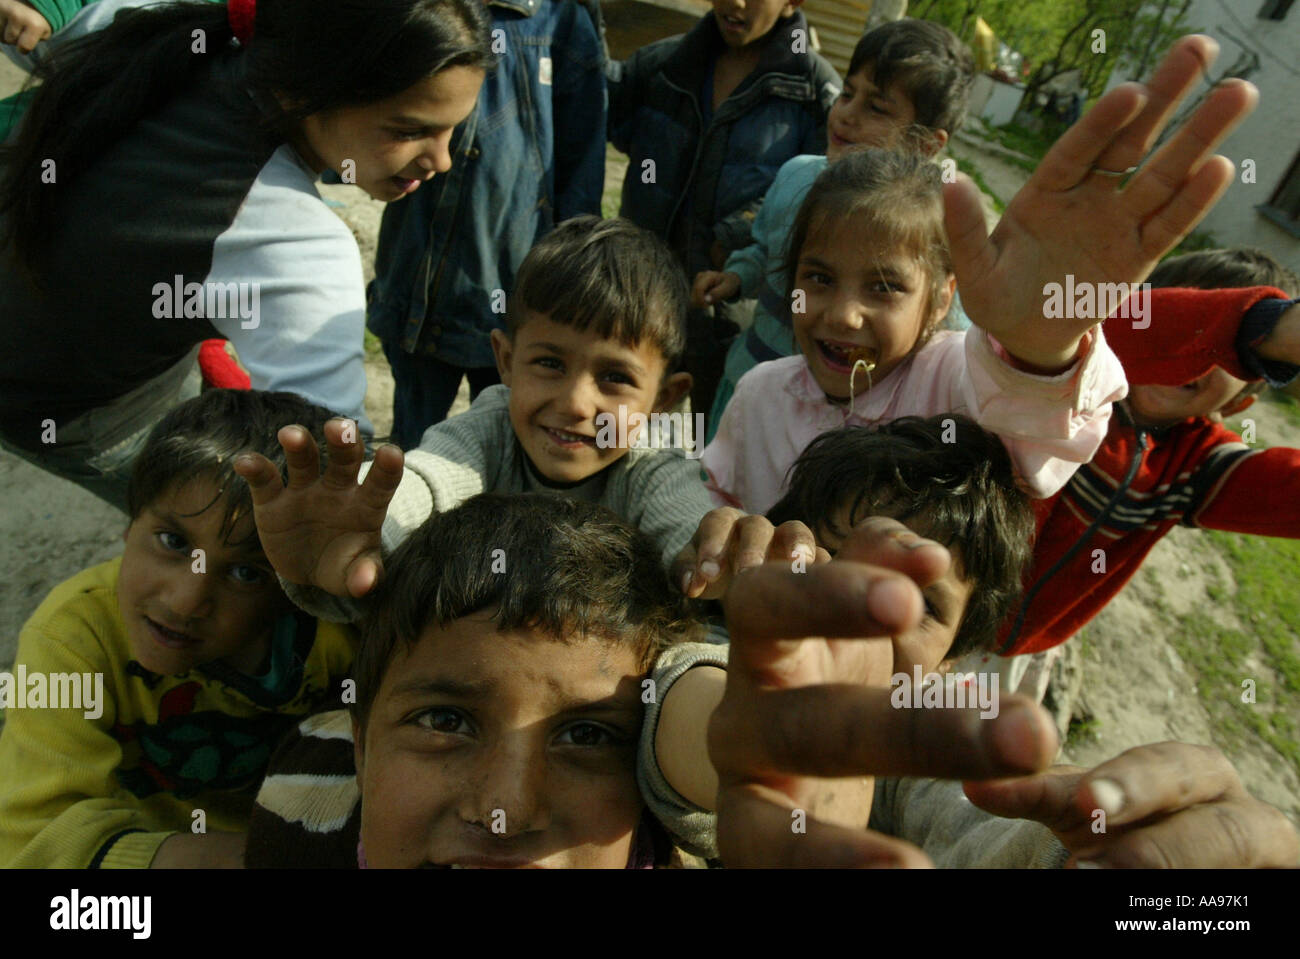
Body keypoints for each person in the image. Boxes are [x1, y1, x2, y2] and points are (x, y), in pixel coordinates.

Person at [700, 33, 1259, 516]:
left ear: (944, 297)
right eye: (818, 277)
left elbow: (1030, 441)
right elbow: (717, 492)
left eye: (885, 287)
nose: (843, 313)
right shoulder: (758, 392)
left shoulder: (950, 385)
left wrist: (1039, 350)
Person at [0, 0, 493, 509]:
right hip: (72, 409)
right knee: (212, 528)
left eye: (452, 127)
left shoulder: (179, 39)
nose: (443, 159)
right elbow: (329, 473)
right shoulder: (294, 242)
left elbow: (64, 20)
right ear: (305, 87)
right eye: (410, 130)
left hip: (50, 324)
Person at [234, 217, 714, 622]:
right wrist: (365, 528)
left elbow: (688, 528)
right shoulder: (488, 432)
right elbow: (429, 475)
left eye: (614, 377)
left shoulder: (652, 465)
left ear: (664, 400)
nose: (575, 403)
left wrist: (714, 559)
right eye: (549, 363)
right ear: (504, 362)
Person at [245, 493, 718, 868]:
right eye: (445, 721)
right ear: (362, 749)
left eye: (587, 735)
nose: (506, 814)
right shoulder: (293, 815)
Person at [0, 389, 358, 868]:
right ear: (130, 523)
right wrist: (276, 859)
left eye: (247, 574)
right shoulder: (71, 638)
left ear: (294, 591)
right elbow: (36, 840)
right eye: (172, 541)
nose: (185, 601)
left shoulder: (336, 636)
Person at [996, 248, 1300, 656]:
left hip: (1009, 657)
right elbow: (1096, 330)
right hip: (925, 600)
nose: (1196, 353)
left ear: (1240, 403)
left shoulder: (1194, 464)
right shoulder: (1064, 371)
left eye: (1232, 354)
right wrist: (1268, 328)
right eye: (1189, 324)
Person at [695, 18, 976, 440]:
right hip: (747, 386)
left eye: (876, 107)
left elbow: (952, 343)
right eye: (848, 93)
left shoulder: (935, 230)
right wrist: (736, 278)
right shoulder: (794, 177)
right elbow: (763, 249)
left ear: (927, 145)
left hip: (841, 427)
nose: (847, 114)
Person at [368, 0, 607, 448]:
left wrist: (571, 271)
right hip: (416, 281)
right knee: (409, 445)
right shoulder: (426, 9)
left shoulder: (560, 20)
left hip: (514, 286)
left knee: (506, 443)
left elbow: (583, 157)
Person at [607, 0, 840, 415]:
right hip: (636, 296)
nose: (735, 2)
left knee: (709, 451)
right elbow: (601, 130)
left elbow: (814, 197)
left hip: (727, 319)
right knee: (615, 424)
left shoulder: (813, 94)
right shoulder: (662, 65)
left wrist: (736, 234)